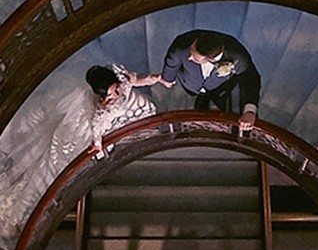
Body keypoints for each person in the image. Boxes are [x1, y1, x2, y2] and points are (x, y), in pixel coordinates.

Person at [124, 29, 263, 135]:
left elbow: (251, 81)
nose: (189, 57)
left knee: (233, 111)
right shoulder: (182, 44)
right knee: (200, 102)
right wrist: (168, 78)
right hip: (191, 83)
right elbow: (172, 60)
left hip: (223, 86)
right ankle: (201, 103)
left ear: (211, 59)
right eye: (191, 51)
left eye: (194, 58)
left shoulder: (238, 56)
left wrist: (250, 111)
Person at [86, 63, 156, 159]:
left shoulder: (123, 80)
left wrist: (156, 78)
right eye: (110, 95)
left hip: (140, 110)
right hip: (123, 123)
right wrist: (97, 143)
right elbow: (96, 126)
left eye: (116, 89)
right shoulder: (104, 108)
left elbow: (137, 80)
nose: (116, 95)